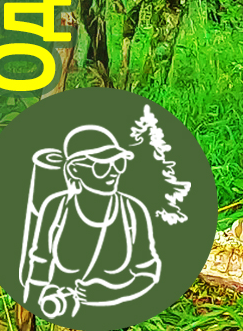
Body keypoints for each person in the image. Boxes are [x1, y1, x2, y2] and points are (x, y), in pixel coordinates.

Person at [23, 125, 161, 319]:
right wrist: (38, 302)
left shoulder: (133, 211)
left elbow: (148, 272)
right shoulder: (56, 208)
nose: (114, 172)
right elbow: (38, 266)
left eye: (118, 163)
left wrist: (114, 293)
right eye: (102, 166)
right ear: (75, 169)